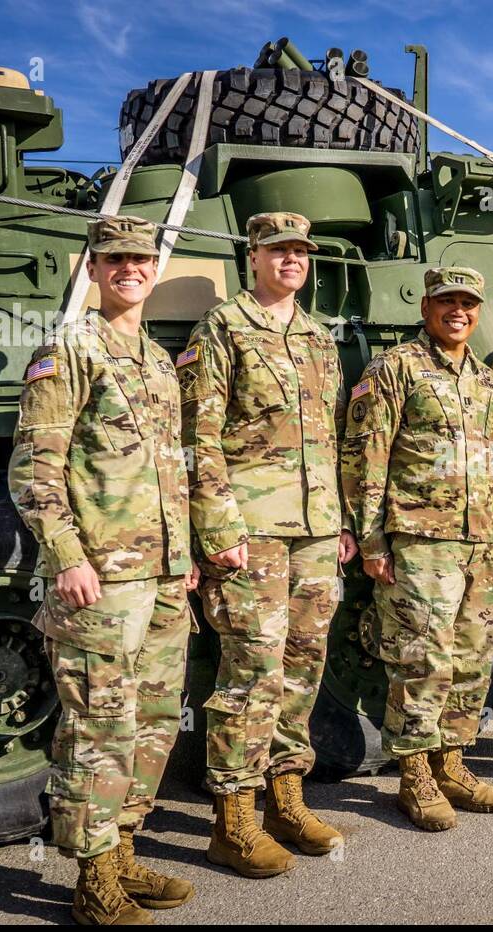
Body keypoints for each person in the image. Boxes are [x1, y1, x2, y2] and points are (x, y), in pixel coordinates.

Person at [9, 214, 197, 925]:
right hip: (103, 581)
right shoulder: (68, 348)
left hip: (163, 576)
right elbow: (35, 468)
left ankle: (120, 850)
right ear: (92, 269)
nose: (129, 269)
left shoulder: (154, 359)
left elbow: (169, 472)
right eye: (114, 259)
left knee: (151, 725)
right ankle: (92, 880)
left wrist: (184, 559)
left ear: (154, 270)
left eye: (140, 259)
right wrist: (66, 557)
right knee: (99, 728)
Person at [178, 211, 356, 877]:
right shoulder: (224, 327)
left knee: (304, 669)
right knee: (250, 673)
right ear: (252, 257)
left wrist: (339, 521)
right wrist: (219, 526)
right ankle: (233, 820)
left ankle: (287, 798)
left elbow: (332, 435)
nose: (291, 260)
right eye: (278, 250)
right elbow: (199, 433)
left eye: (300, 251)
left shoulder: (316, 336)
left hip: (314, 528)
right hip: (252, 529)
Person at [340, 267, 493, 831]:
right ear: (425, 307)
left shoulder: (488, 382)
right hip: (420, 542)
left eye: (468, 302)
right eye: (446, 302)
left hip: (479, 541)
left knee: (472, 657)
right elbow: (365, 456)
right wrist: (372, 540)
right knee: (421, 659)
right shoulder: (395, 369)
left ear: (478, 311)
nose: (457, 311)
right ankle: (413, 774)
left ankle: (451, 763)